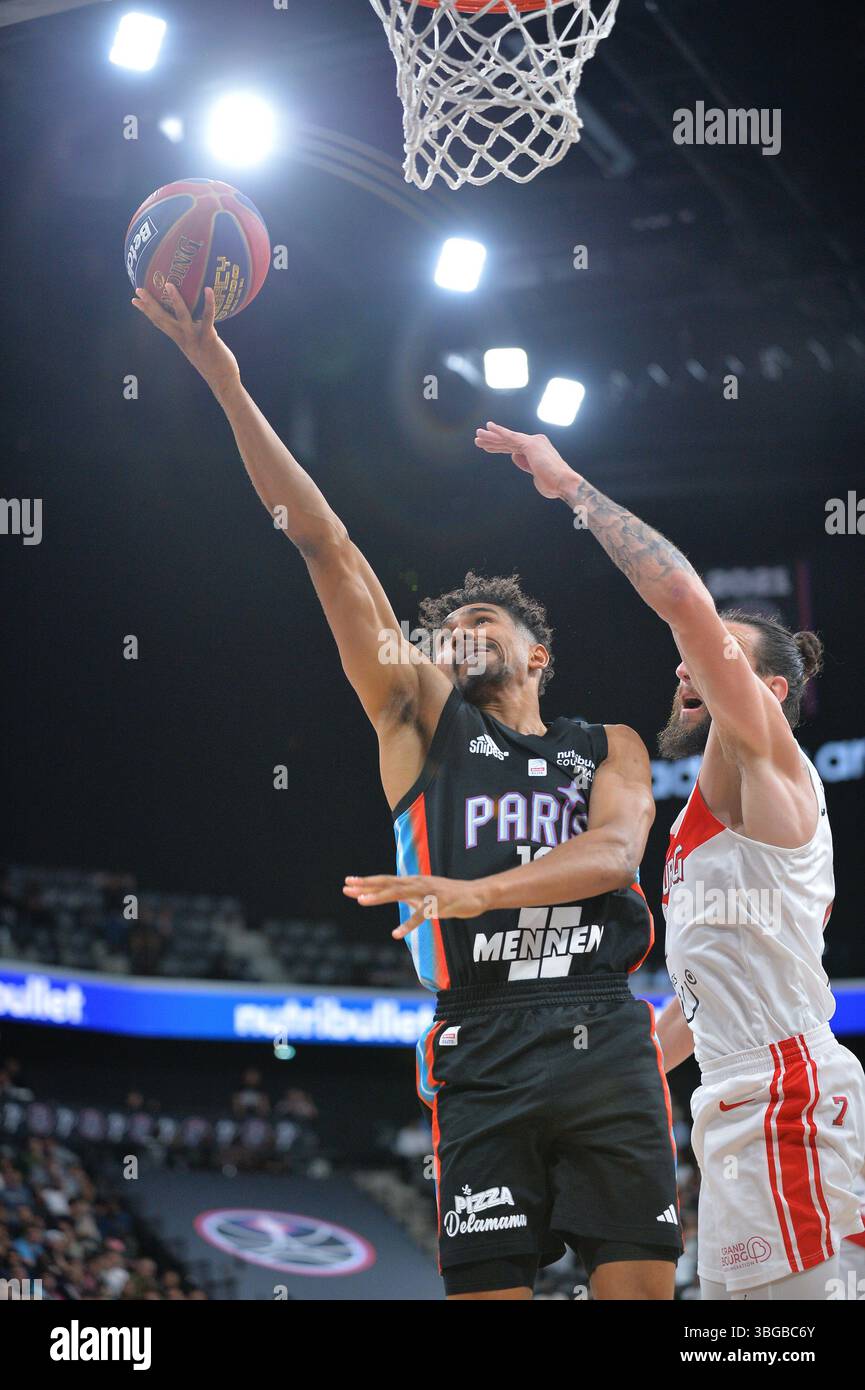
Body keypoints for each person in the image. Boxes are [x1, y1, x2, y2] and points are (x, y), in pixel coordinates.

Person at [131, 287, 681, 1301]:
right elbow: (324, 543)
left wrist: (473, 893)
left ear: (537, 653)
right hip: (477, 1034)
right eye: (446, 626)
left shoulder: (607, 743)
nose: (462, 630)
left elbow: (613, 859)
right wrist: (222, 372)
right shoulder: (419, 722)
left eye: (486, 618)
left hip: (599, 1027)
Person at [472, 422, 865, 1300]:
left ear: (765, 692)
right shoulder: (716, 810)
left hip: (779, 1093)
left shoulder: (762, 753)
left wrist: (570, 486)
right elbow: (701, 995)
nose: (683, 666)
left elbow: (683, 600)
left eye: (710, 657)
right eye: (687, 658)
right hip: (743, 1092)